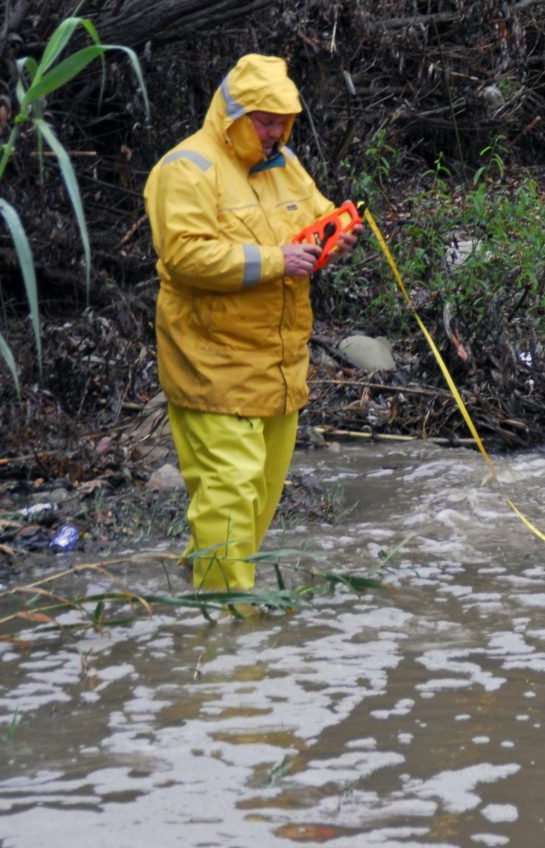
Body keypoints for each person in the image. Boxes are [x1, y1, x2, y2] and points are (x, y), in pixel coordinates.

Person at [144, 54, 360, 592]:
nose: (276, 132)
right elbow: (186, 257)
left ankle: (200, 612)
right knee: (229, 495)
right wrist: (274, 261)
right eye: (265, 120)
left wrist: (337, 240)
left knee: (256, 502)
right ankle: (226, 630)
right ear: (234, 114)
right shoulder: (186, 169)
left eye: (283, 120)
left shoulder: (283, 164)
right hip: (211, 366)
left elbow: (312, 225)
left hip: (279, 368)